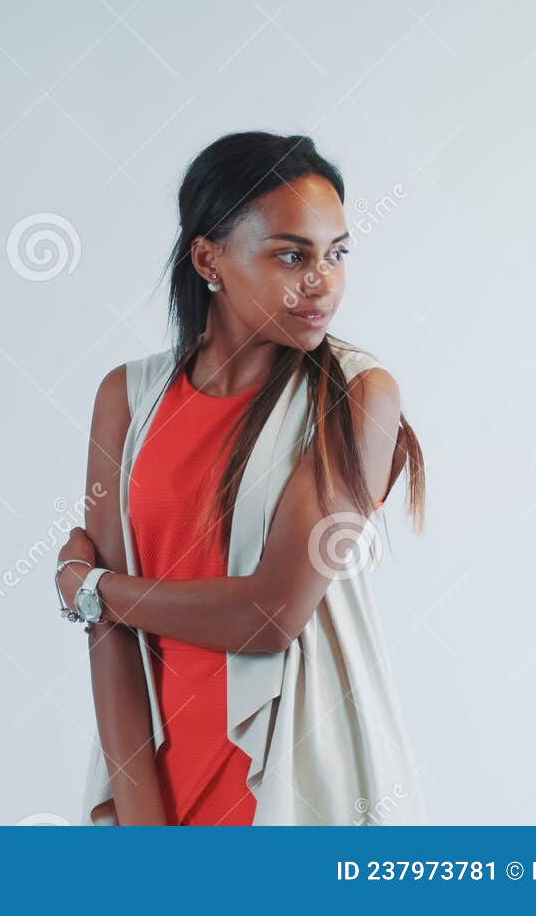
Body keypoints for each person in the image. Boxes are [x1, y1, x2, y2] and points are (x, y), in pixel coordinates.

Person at [55, 132, 427, 825]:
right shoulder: (127, 401)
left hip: (303, 785)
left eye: (336, 254)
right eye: (292, 255)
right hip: (158, 786)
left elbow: (269, 615)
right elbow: (107, 634)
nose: (322, 282)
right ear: (209, 259)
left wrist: (95, 589)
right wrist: (142, 826)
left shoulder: (359, 398)